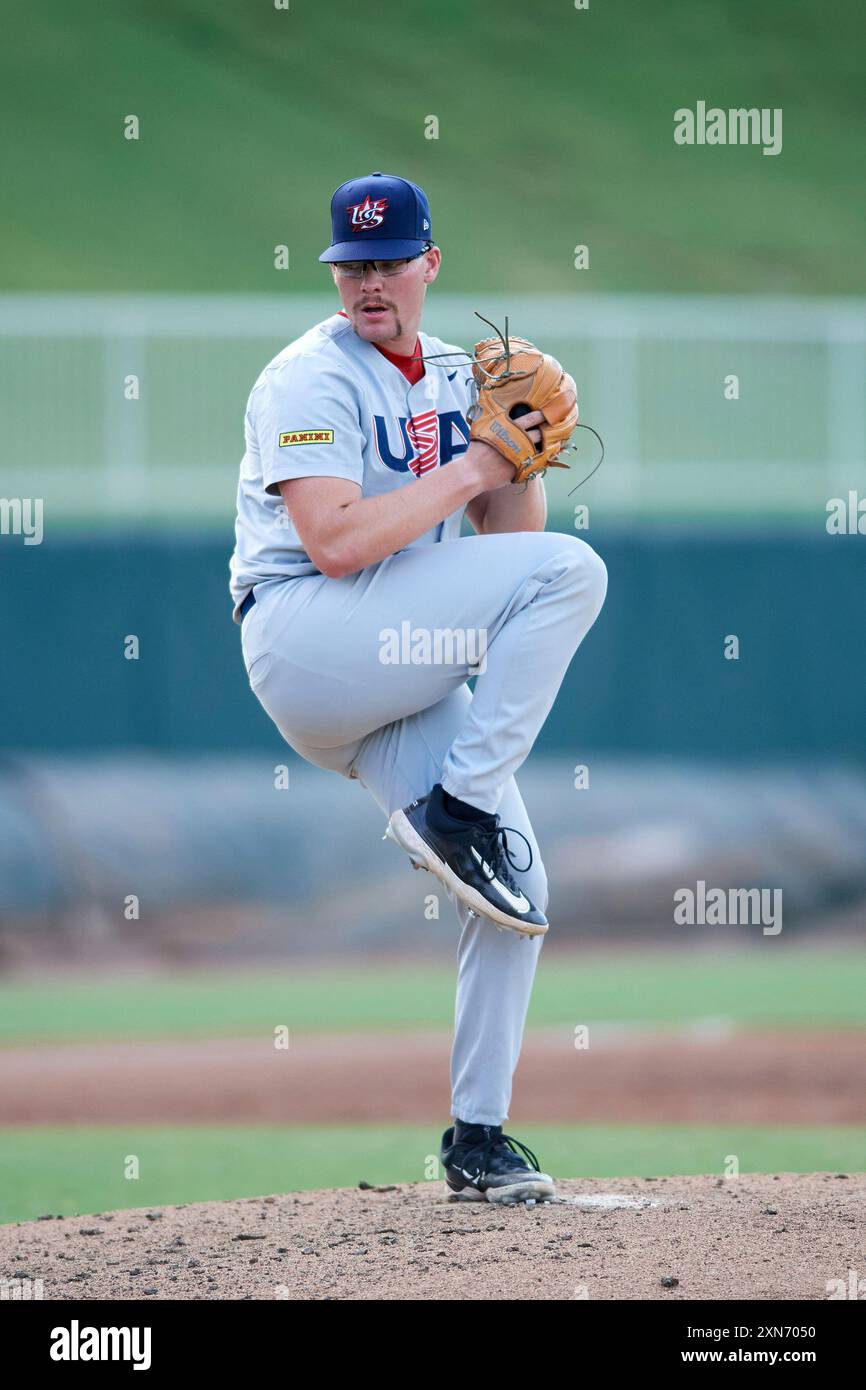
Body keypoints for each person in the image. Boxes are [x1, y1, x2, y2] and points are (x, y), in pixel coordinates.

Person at [229, 172, 608, 1204]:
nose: (369, 282)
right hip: (308, 637)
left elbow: (509, 549)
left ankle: (475, 1141)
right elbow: (338, 544)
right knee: (579, 572)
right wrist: (475, 468)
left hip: (398, 662)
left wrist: (520, 455)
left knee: (517, 892)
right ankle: (460, 804)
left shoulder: (453, 374)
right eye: (352, 265)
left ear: (429, 265)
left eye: (389, 260)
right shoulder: (307, 377)